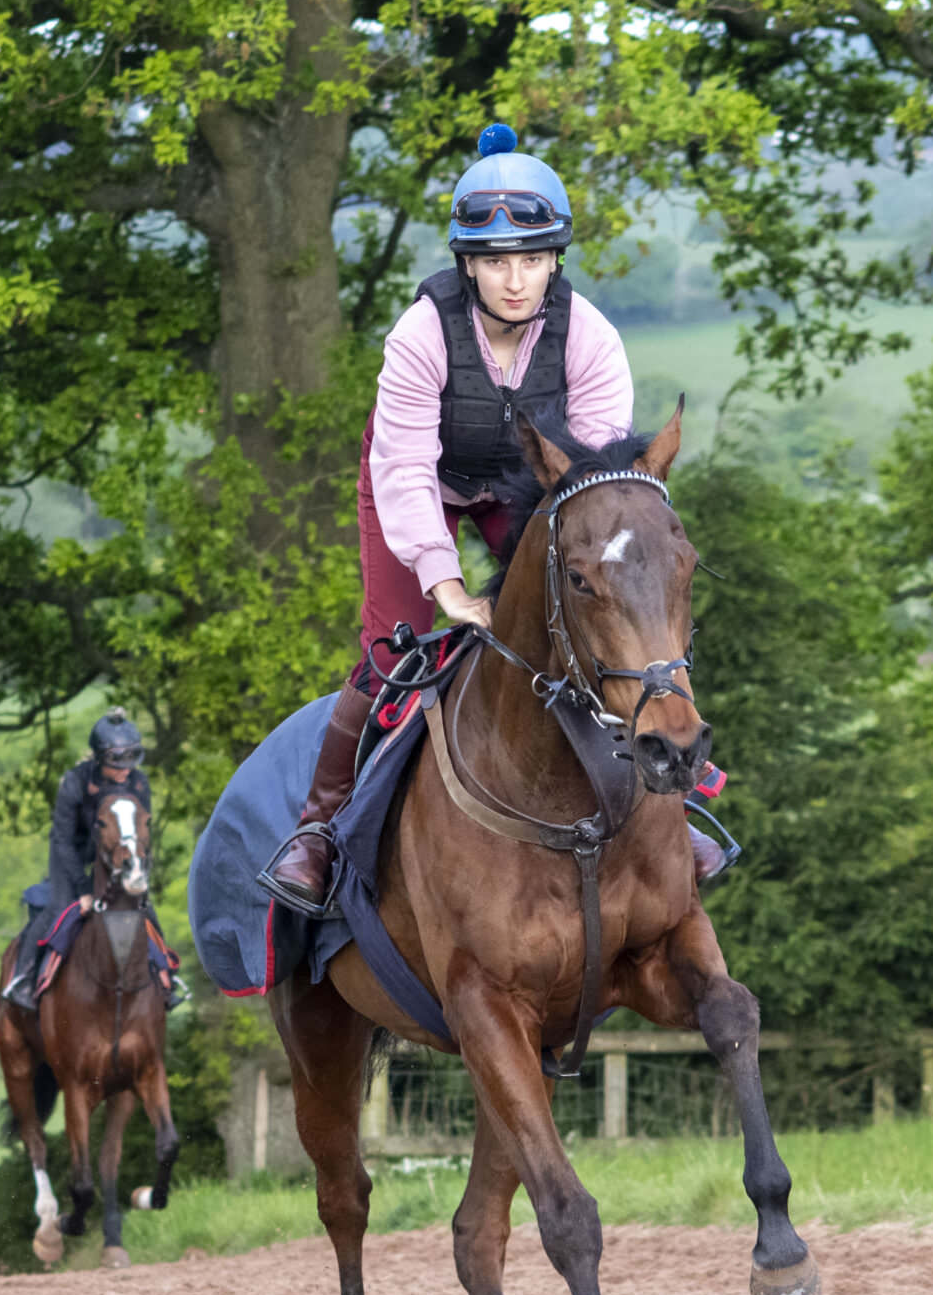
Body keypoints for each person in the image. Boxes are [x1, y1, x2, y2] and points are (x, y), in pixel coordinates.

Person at [262, 122, 659, 911]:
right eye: (495, 261)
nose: (515, 280)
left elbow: (591, 485)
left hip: (524, 487)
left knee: (601, 612)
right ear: (467, 264)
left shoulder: (591, 338)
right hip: (417, 484)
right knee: (392, 651)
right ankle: (319, 828)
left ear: (555, 260)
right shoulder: (420, 335)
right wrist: (445, 585)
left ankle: (668, 807)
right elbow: (407, 468)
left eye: (532, 259)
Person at [0, 709, 175, 1011]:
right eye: (116, 763)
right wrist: (83, 889)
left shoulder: (138, 783)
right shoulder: (75, 782)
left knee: (145, 908)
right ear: (99, 758)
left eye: (130, 761)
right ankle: (24, 978)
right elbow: (63, 840)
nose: (125, 770)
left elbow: (142, 832)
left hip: (115, 856)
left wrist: (139, 871)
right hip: (72, 855)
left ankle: (166, 976)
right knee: (57, 909)